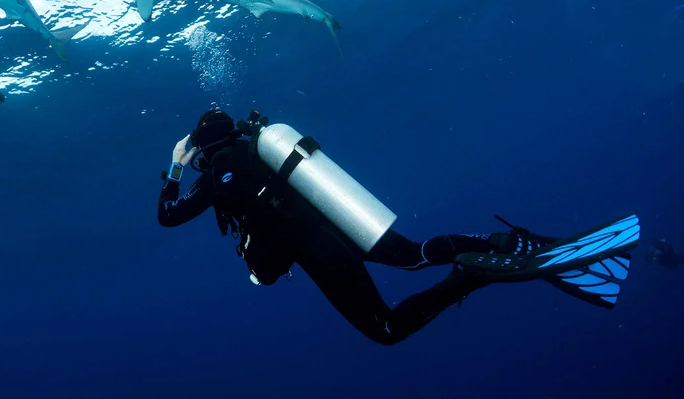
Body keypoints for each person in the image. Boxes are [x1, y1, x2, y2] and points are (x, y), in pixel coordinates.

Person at [157, 108, 640, 345]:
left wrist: (177, 167)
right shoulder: (262, 148)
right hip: (344, 221)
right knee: (412, 255)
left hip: (318, 251)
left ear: (202, 146)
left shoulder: (218, 177)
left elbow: (168, 217)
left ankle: (471, 275)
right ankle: (494, 242)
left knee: (385, 328)